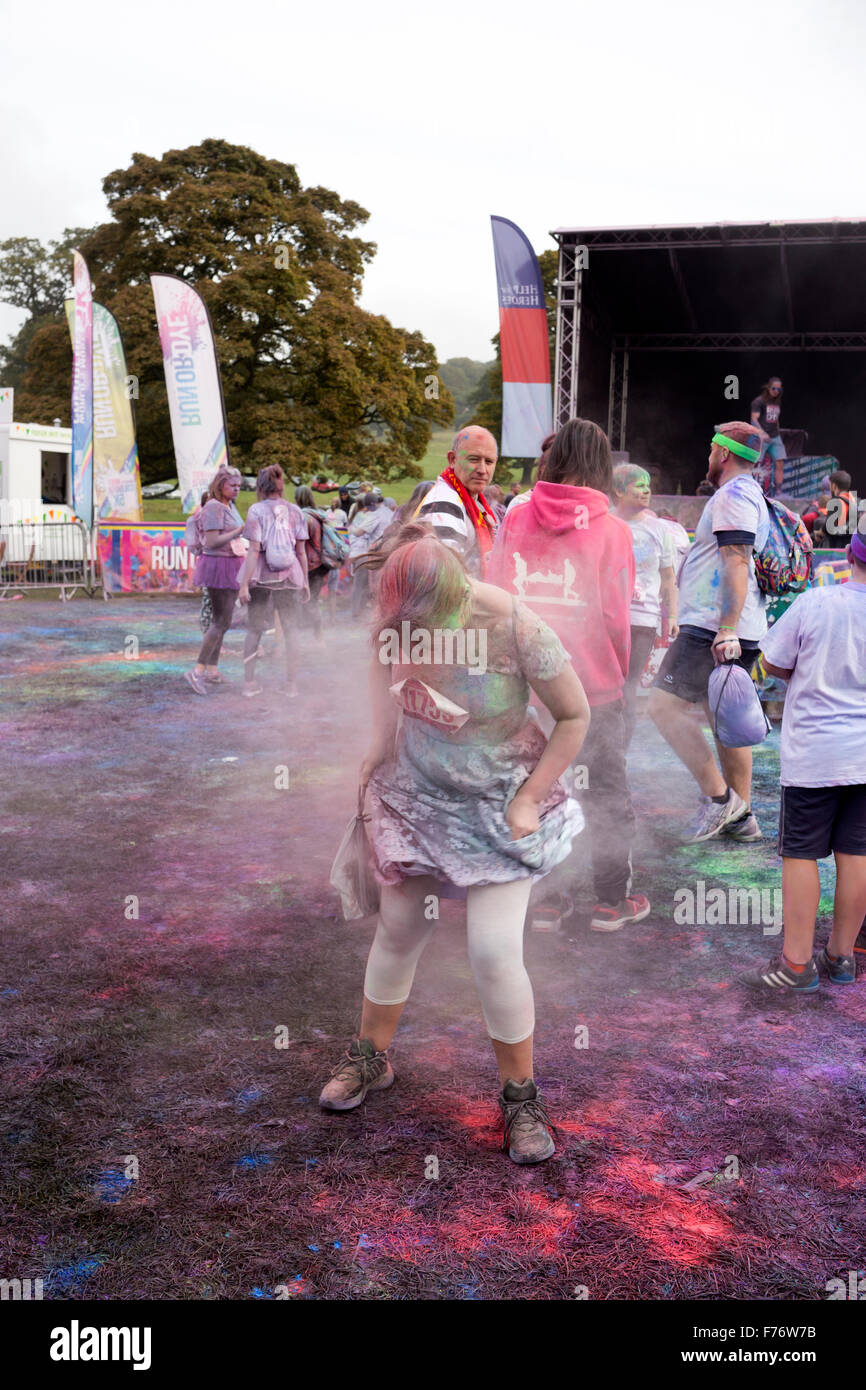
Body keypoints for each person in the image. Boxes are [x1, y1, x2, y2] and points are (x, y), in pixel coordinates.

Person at [319, 524, 590, 1165]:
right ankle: (370, 1059)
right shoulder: (399, 614)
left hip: (500, 800)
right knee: (401, 925)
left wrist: (529, 799)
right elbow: (380, 675)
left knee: (493, 951)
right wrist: (379, 745)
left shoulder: (516, 624)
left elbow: (576, 717)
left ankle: (520, 1097)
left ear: (457, 597)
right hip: (417, 790)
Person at [488, 418, 650, 932]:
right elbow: (615, 615)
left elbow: (494, 593)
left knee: (537, 787)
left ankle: (548, 902)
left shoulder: (516, 516)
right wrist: (618, 675)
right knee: (605, 790)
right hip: (591, 685)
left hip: (522, 684)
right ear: (603, 467)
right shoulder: (612, 530)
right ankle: (609, 902)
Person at [744, 528, 866, 993]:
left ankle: (796, 966)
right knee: (857, 854)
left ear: (851, 554)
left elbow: (773, 660)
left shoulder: (818, 602)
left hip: (816, 752)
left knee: (801, 853)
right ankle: (841, 956)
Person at [649, 422, 770, 843]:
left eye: (710, 448)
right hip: (728, 625)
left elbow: (735, 561)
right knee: (725, 720)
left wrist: (726, 629)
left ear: (722, 453)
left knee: (662, 707)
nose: (708, 456)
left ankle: (722, 802)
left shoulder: (734, 495)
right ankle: (742, 819)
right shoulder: (749, 493)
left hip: (712, 626)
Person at [611, 465, 678, 746]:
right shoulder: (606, 523)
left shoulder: (659, 529)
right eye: (638, 485)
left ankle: (619, 751)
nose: (646, 490)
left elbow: (668, 578)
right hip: (608, 618)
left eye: (648, 485)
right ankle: (597, 746)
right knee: (604, 686)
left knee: (627, 687)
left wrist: (672, 616)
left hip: (642, 621)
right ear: (618, 490)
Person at [237, 465, 309, 698]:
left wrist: (244, 584)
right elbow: (301, 552)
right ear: (280, 486)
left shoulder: (256, 510)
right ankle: (292, 685)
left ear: (260, 486)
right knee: (291, 630)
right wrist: (306, 582)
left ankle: (249, 684)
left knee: (254, 629)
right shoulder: (296, 511)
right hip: (289, 576)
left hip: (261, 577)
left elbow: (254, 551)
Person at [184, 466, 245, 696]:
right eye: (233, 486)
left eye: (239, 486)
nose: (237, 489)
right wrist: (239, 530)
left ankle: (211, 670)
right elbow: (211, 542)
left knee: (223, 621)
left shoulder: (228, 505)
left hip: (230, 564)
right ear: (221, 485)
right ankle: (197, 671)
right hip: (219, 566)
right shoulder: (213, 507)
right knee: (220, 622)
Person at [417, 425, 499, 574]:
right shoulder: (443, 504)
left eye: (489, 462)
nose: (482, 470)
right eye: (474, 459)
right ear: (452, 459)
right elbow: (443, 576)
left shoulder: (478, 503)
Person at [348, 491, 392, 619]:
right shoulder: (389, 513)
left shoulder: (375, 515)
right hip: (388, 553)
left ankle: (356, 613)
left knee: (359, 584)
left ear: (372, 504)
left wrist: (351, 529)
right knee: (376, 585)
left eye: (368, 506)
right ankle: (376, 613)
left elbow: (359, 532)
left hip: (372, 554)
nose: (367, 509)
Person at [750, 376, 785, 496]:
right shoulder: (759, 401)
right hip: (761, 436)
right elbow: (754, 419)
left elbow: (776, 419)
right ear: (769, 388)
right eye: (774, 389)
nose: (776, 391)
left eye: (779, 390)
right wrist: (762, 433)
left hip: (775, 436)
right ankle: (752, 488)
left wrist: (778, 431)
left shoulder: (777, 401)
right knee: (756, 462)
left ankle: (779, 491)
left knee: (780, 461)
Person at [826, 470, 855, 549]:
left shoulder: (835, 502)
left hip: (836, 548)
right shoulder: (854, 501)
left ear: (834, 486)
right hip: (850, 547)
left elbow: (829, 529)